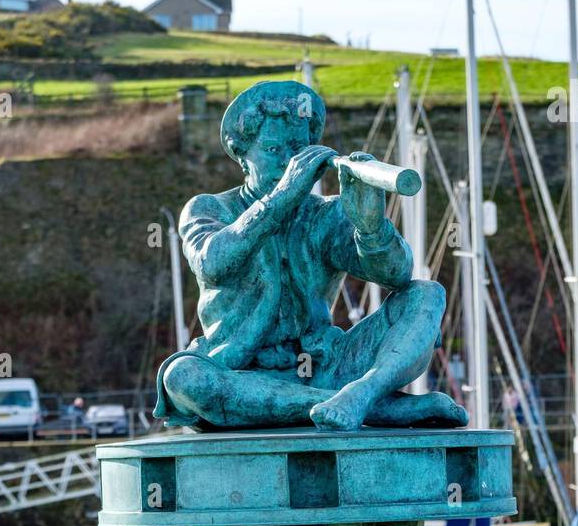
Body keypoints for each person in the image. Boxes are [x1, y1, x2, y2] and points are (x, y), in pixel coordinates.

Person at [155, 80, 468, 433]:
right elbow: (212, 264)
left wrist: (371, 227)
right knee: (183, 378)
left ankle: (362, 394)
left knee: (426, 294)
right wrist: (279, 200)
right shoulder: (209, 208)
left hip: (328, 366)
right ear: (241, 153)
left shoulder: (326, 215)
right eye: (273, 149)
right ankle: (373, 407)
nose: (288, 162)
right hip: (239, 373)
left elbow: (397, 277)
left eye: (298, 149)